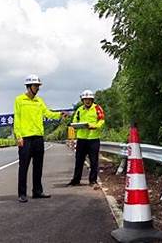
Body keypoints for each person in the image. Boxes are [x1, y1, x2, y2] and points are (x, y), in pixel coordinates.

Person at [14, 74, 68, 203]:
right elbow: (17, 119)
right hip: (25, 138)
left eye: (38, 86)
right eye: (35, 86)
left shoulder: (39, 101)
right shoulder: (19, 100)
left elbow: (48, 113)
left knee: (38, 166)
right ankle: (22, 193)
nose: (37, 88)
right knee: (24, 166)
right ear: (29, 87)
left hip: (38, 137)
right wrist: (18, 136)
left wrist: (59, 115)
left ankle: (37, 191)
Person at [67, 90, 105, 186]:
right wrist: (75, 127)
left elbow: (102, 120)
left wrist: (94, 126)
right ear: (82, 100)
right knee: (79, 160)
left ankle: (93, 180)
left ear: (92, 99)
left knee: (94, 161)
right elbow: (75, 121)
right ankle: (76, 180)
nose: (87, 101)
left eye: (89, 99)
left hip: (93, 139)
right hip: (81, 139)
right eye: (85, 99)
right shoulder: (79, 110)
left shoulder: (97, 108)